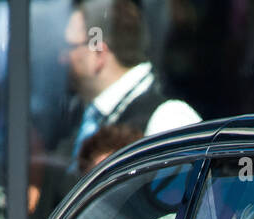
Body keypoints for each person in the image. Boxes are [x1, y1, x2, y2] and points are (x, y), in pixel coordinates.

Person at [61, 0, 200, 172]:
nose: (63, 58)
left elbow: (180, 195)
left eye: (70, 47)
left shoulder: (167, 119)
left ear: (98, 52)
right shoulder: (81, 115)